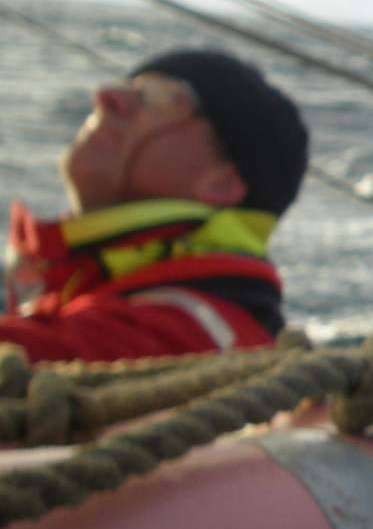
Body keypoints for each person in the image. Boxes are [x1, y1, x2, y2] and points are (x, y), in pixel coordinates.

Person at [4, 49, 309, 363]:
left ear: (221, 183)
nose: (107, 96)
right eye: (130, 88)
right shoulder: (83, 293)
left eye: (158, 97)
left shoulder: (199, 332)